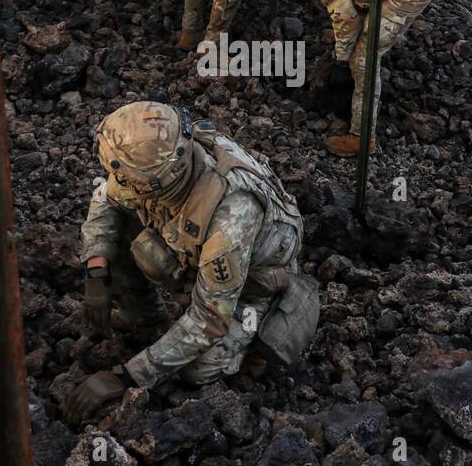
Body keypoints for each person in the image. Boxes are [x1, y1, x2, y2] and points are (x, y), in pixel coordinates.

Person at [68, 101, 316, 421]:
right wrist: (96, 268)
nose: (119, 182)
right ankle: (145, 319)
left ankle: (255, 339)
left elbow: (209, 320)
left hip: (251, 284)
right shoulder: (162, 158)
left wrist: (127, 377)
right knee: (120, 234)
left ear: (157, 182)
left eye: (127, 179)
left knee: (197, 370)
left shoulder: (230, 218)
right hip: (195, 252)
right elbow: (107, 198)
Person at [273, 0, 439, 156]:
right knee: (360, 22)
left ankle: (363, 139)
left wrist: (340, 57)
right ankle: (385, 35)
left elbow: (346, 18)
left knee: (363, 58)